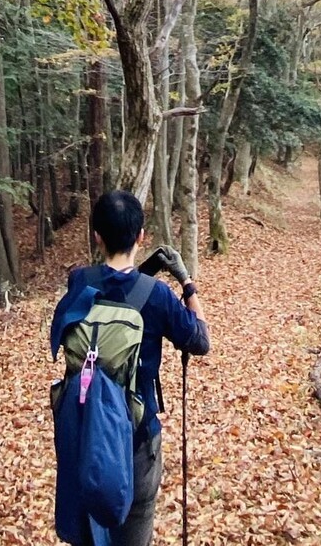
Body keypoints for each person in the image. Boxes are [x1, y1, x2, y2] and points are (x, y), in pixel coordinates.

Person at [52, 189, 210, 546]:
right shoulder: (156, 295)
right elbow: (200, 340)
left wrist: (143, 272)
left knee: (90, 530)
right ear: (141, 235)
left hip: (84, 430)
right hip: (137, 439)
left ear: (97, 235)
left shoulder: (78, 282)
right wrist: (187, 283)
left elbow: (109, 288)